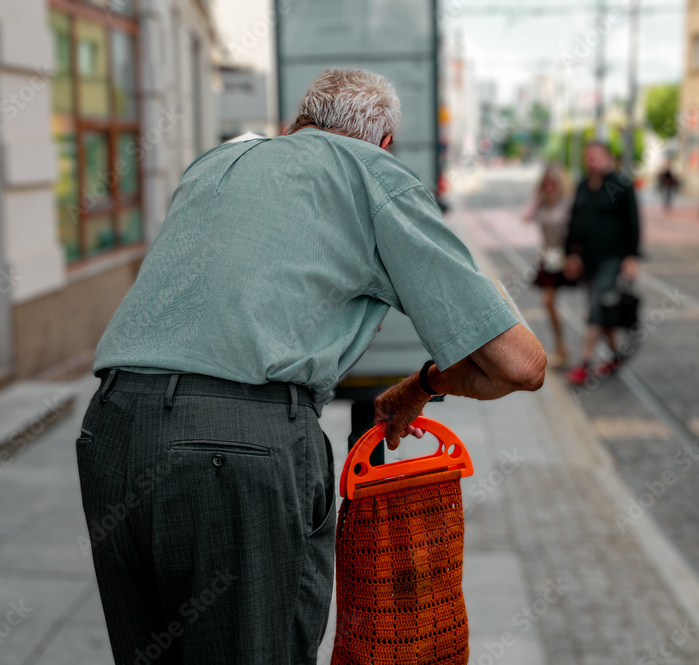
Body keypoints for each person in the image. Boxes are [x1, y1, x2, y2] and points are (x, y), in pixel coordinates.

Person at [75, 68, 546, 665]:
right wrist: (426, 381)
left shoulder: (217, 163)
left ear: (293, 127)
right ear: (384, 146)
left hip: (113, 429)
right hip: (238, 448)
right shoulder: (373, 175)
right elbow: (520, 364)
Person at [563, 141, 641, 386]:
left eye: (597, 156)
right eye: (589, 156)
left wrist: (631, 256)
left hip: (612, 258)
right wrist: (571, 254)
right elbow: (574, 221)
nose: (592, 161)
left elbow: (633, 222)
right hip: (587, 259)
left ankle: (583, 364)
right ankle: (616, 355)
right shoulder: (583, 185)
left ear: (608, 158)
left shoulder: (621, 184)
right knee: (601, 308)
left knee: (596, 307)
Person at [524, 164, 575, 368]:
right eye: (546, 182)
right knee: (548, 301)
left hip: (569, 257)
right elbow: (526, 217)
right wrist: (537, 197)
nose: (549, 185)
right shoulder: (543, 203)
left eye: (553, 182)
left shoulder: (569, 202)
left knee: (593, 302)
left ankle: (611, 344)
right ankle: (561, 347)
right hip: (550, 258)